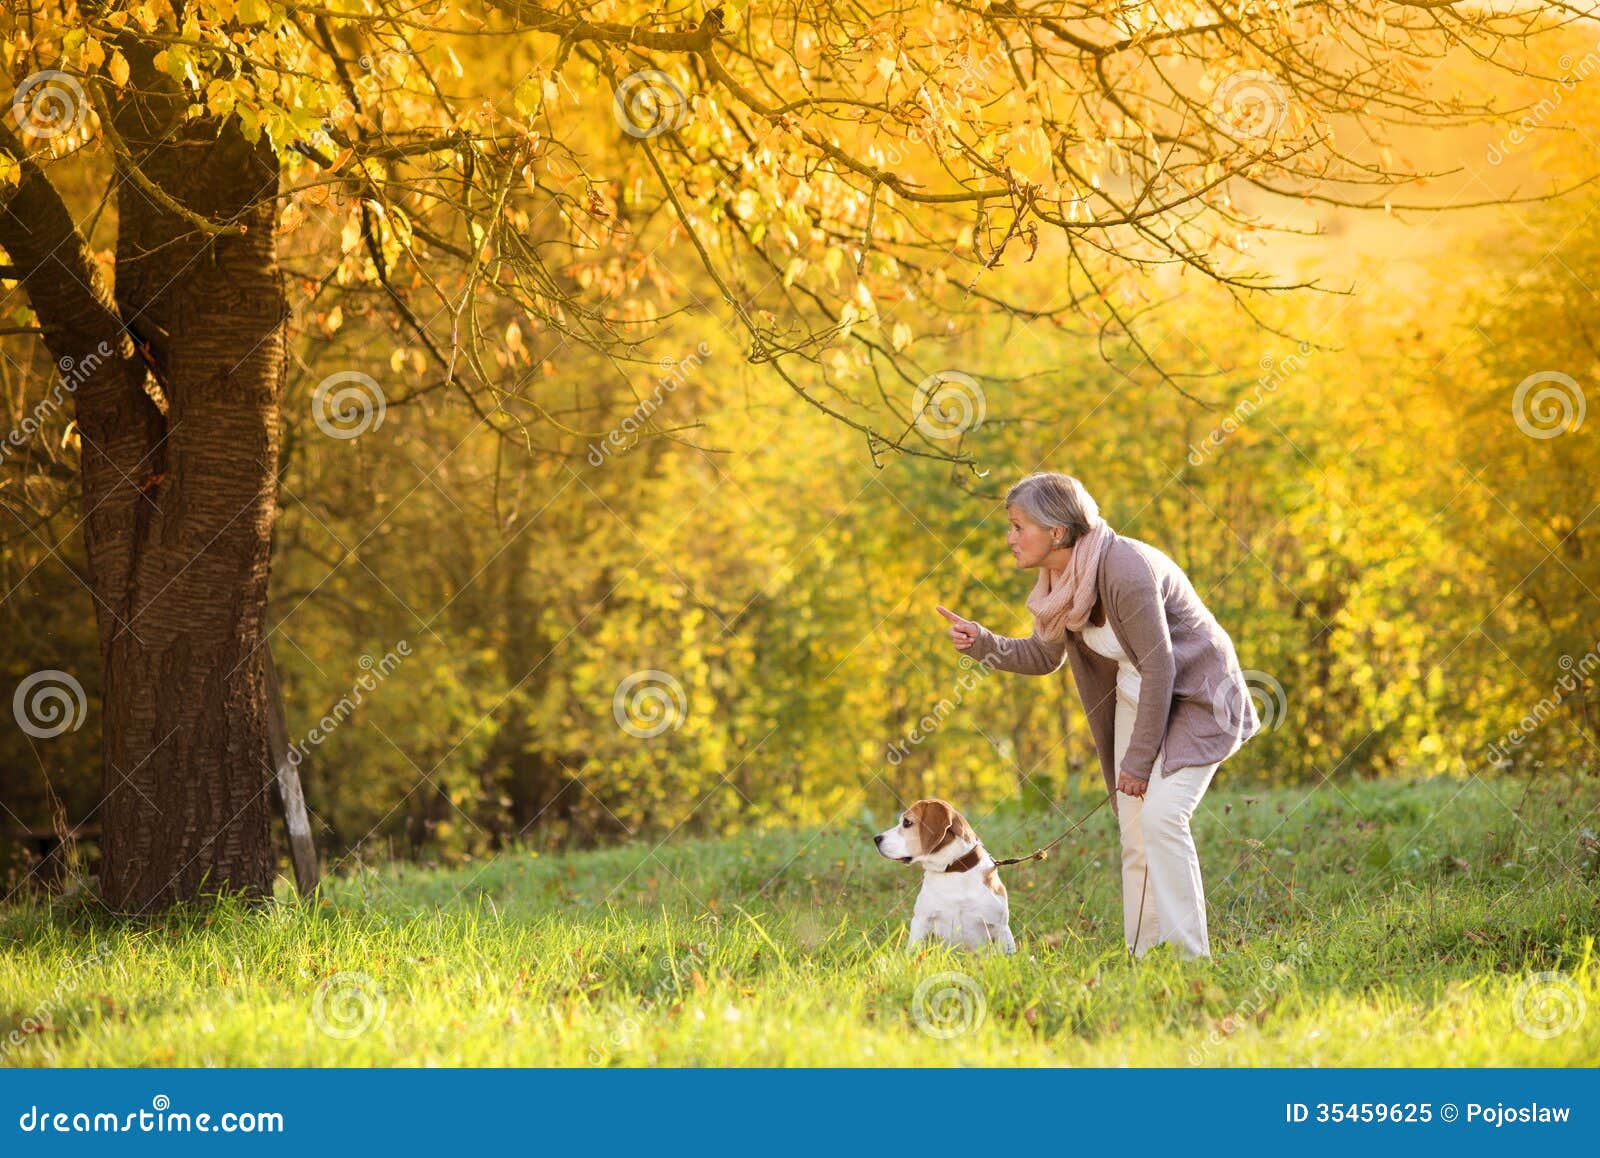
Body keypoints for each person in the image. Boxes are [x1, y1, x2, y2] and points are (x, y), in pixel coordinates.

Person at [937, 471, 1261, 959]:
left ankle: (1192, 958)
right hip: (1144, 694)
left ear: (1057, 532)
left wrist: (1136, 763)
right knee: (1134, 832)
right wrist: (983, 642)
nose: (1009, 538)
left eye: (1017, 525)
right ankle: (1144, 954)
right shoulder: (1062, 580)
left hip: (1196, 697)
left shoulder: (1123, 569)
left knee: (1163, 817)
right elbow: (1045, 657)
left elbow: (1162, 667)